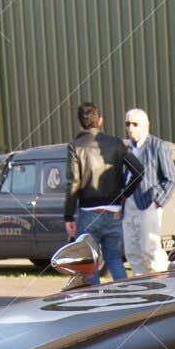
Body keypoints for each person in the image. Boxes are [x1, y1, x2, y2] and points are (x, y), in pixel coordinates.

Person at [63, 102, 141, 283]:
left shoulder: (75, 146)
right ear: (100, 121)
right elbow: (138, 170)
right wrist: (125, 193)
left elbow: (73, 183)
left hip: (89, 212)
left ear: (79, 124)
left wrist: (68, 216)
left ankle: (96, 303)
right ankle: (126, 297)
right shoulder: (116, 143)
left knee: (90, 264)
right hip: (114, 211)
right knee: (114, 260)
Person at [121, 108, 175, 275]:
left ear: (146, 125)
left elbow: (171, 179)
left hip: (147, 204)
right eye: (127, 124)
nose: (130, 127)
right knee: (132, 252)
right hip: (128, 206)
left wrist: (156, 201)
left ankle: (168, 283)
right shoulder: (125, 148)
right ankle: (143, 288)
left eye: (135, 124)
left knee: (150, 250)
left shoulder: (158, 146)